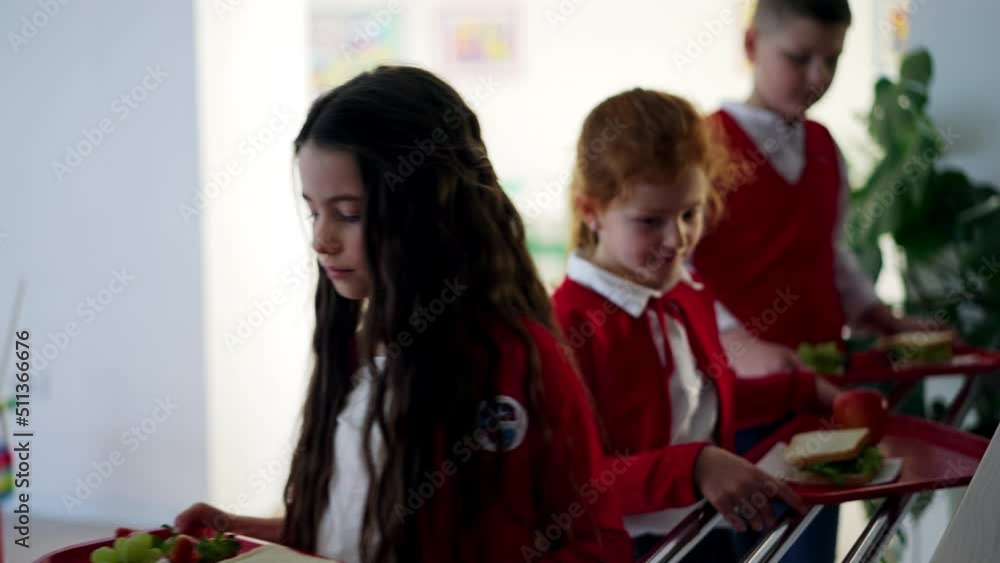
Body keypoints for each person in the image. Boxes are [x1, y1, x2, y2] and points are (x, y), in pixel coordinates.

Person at [175, 66, 633, 563]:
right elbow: (354, 534)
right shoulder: (357, 352)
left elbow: (597, 546)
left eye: (348, 213)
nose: (321, 240)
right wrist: (241, 535)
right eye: (314, 211)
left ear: (428, 211)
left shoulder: (515, 361)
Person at [551, 87, 839, 560]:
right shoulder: (568, 324)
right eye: (650, 221)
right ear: (591, 210)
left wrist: (802, 391)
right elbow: (570, 482)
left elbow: (706, 402)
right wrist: (694, 467)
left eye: (691, 213)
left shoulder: (682, 295)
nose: (678, 238)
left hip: (702, 535)